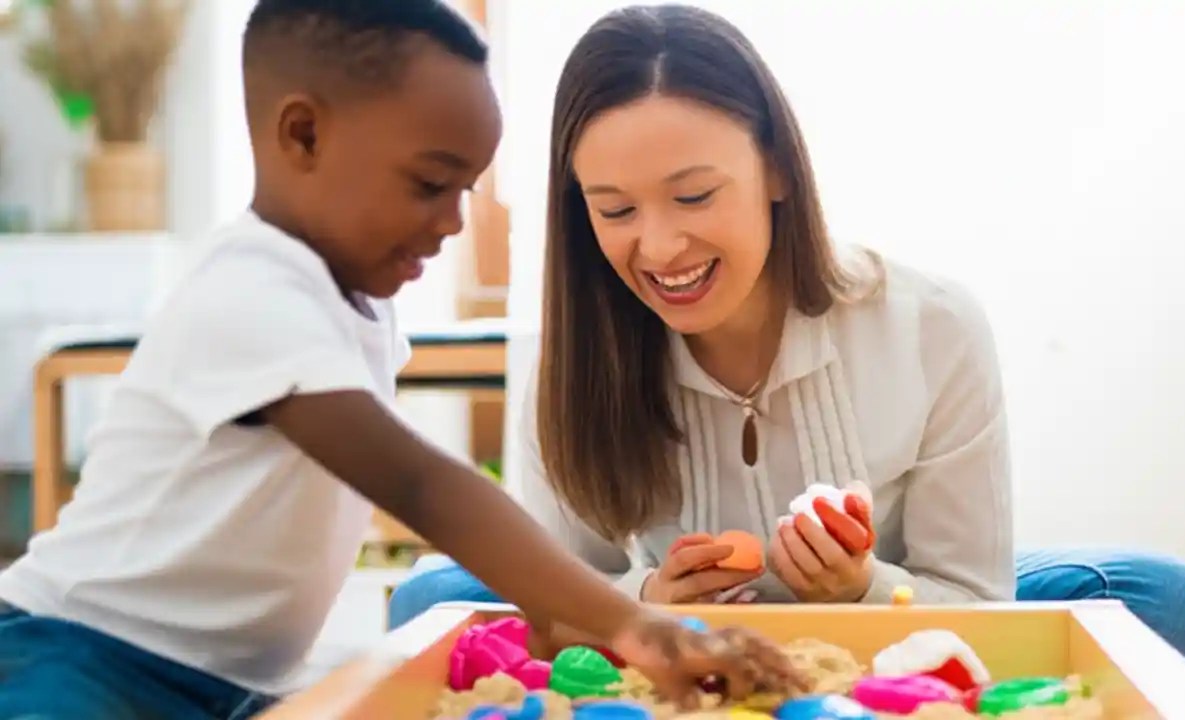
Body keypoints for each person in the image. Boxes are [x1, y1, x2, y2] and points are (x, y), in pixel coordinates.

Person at [0, 2, 807, 718]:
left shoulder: (358, 299)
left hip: (225, 682)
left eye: (467, 190)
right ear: (303, 134)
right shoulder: (249, 293)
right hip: (79, 650)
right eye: (430, 184)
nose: (455, 222)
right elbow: (417, 481)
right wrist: (638, 626)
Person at [389, 3, 1185, 679]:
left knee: (1173, 602)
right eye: (614, 210)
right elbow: (561, 595)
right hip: (667, 644)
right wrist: (646, 595)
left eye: (693, 196)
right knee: (428, 599)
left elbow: (974, 596)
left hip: (891, 628)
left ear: (779, 171)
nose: (657, 248)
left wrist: (859, 586)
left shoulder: (931, 326)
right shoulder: (566, 354)